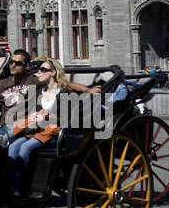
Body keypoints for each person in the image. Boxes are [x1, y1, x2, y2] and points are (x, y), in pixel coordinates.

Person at [6, 57, 102, 195]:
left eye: (43, 69)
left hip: (56, 134)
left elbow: (67, 119)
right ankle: (11, 184)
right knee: (14, 145)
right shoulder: (40, 91)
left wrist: (48, 116)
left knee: (26, 146)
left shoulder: (63, 92)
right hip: (37, 131)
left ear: (53, 73)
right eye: (39, 69)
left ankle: (19, 188)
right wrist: (34, 116)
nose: (39, 72)